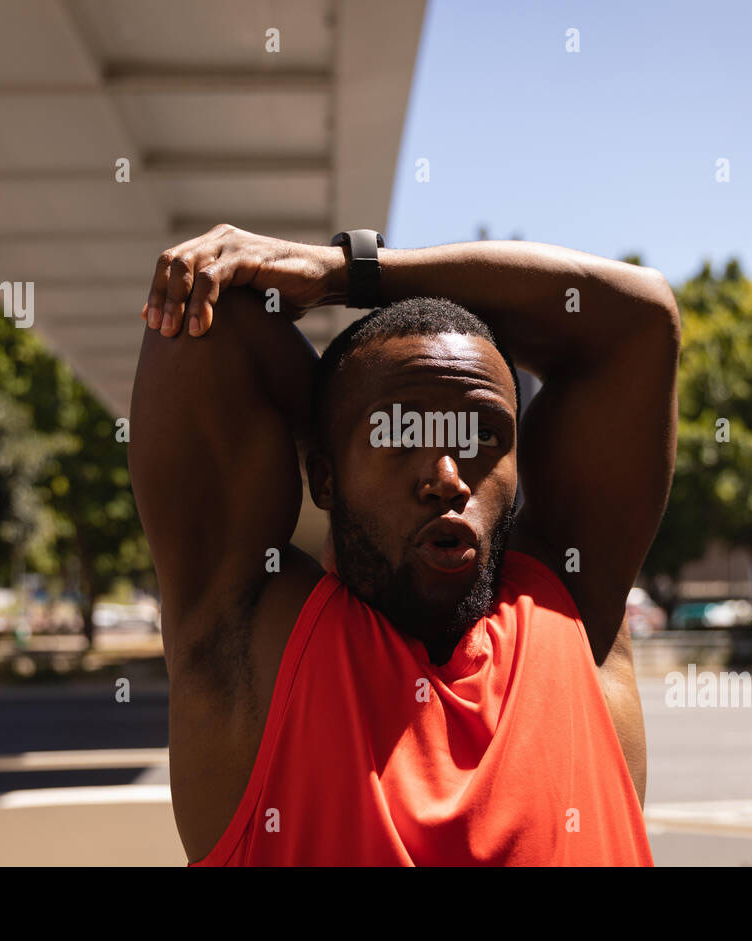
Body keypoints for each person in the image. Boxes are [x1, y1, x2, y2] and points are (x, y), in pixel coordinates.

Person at [129, 224, 680, 865]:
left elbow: (639, 317)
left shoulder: (573, 612)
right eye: (397, 434)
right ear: (325, 477)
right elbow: (209, 313)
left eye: (481, 434)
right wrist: (343, 406)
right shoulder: (250, 645)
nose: (446, 477)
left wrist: (349, 272)